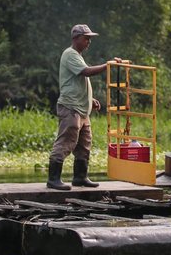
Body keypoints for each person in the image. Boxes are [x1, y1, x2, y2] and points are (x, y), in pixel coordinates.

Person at [48, 24, 123, 190]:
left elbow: (77, 82)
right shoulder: (70, 54)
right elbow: (86, 72)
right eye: (86, 38)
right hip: (71, 108)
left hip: (82, 109)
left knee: (84, 144)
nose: (89, 41)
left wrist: (91, 99)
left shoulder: (78, 55)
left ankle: (80, 177)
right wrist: (108, 66)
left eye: (90, 38)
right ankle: (53, 179)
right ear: (76, 39)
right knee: (66, 141)